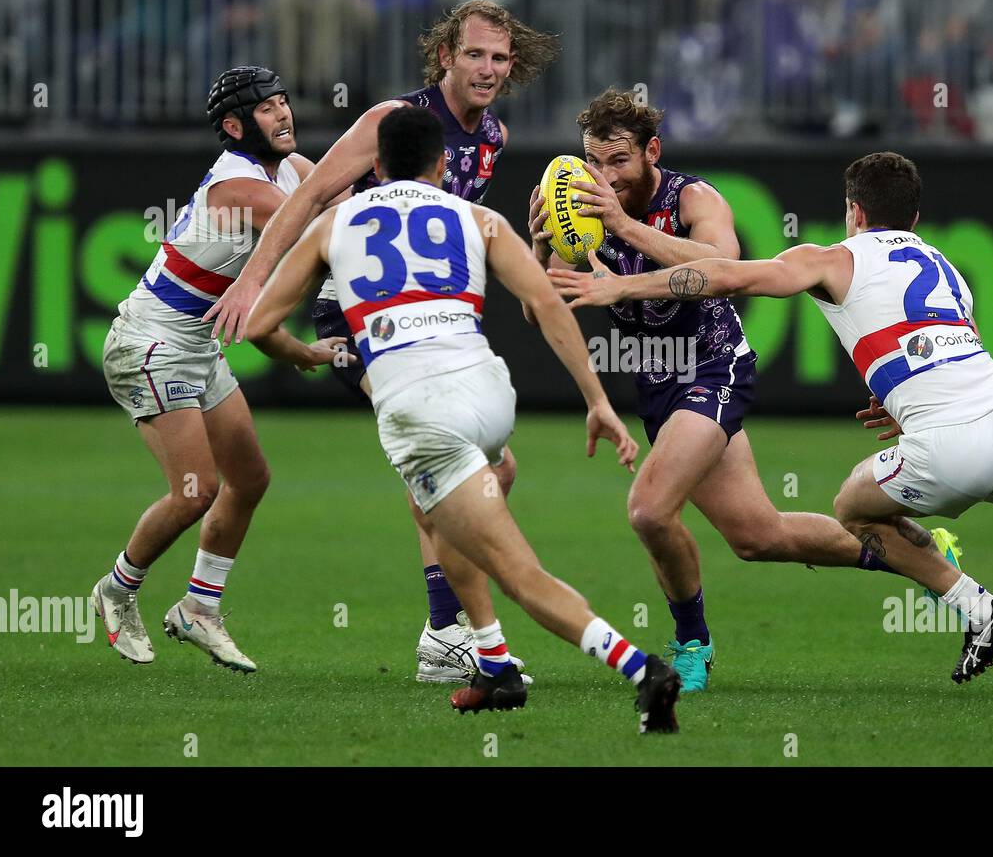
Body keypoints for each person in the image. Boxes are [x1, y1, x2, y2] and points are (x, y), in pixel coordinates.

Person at [551, 150, 993, 700]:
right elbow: (951, 346)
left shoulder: (831, 257)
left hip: (952, 445)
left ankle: (972, 602)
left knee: (850, 506)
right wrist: (898, 400)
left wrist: (621, 283)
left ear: (853, 211)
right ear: (915, 219)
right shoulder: (944, 264)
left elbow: (727, 276)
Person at [531, 90, 993, 691]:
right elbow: (544, 311)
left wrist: (623, 226)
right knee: (758, 536)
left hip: (713, 369)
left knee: (649, 510)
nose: (603, 176)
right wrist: (542, 246)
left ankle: (692, 646)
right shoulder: (583, 214)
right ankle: (920, 554)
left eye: (618, 161)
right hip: (657, 383)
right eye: (593, 161)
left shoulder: (691, 198)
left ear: (652, 151)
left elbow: (722, 264)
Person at [244, 106, 681, 732]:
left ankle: (642, 670)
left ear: (375, 164)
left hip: (421, 411)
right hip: (489, 392)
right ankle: (494, 664)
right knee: (441, 511)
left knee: (517, 572)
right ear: (442, 163)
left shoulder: (334, 223)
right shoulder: (479, 218)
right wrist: (597, 401)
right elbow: (546, 303)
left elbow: (260, 325)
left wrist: (305, 354)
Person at [203, 0, 560, 684]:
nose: (487, 68)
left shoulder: (494, 137)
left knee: (493, 471)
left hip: (424, 324)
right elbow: (308, 199)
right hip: (356, 319)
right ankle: (447, 634)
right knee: (447, 459)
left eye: (499, 57)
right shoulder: (390, 121)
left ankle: (446, 631)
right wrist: (253, 281)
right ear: (445, 56)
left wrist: (535, 249)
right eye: (475, 54)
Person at [94, 66, 345, 672]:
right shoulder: (240, 189)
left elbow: (344, 202)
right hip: (151, 344)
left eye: (284, 101)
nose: (283, 114)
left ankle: (199, 609)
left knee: (250, 479)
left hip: (197, 346)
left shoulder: (290, 168)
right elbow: (328, 236)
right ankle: (117, 588)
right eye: (267, 108)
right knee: (196, 491)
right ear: (235, 127)